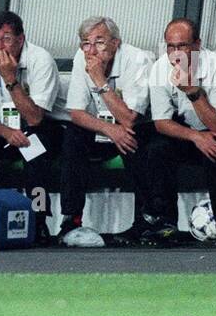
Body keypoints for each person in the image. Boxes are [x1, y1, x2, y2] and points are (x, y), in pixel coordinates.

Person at [0, 10, 66, 245]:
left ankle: (39, 217)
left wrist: (10, 78)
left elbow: (35, 117)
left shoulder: (41, 60)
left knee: (35, 150)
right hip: (2, 128)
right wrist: (7, 132)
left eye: (6, 39)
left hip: (38, 126)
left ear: (20, 39)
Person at [58, 15, 155, 247]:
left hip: (139, 129)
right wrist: (109, 130)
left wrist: (100, 80)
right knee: (72, 137)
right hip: (106, 129)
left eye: (99, 42)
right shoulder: (82, 58)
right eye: (86, 43)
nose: (91, 50)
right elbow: (77, 113)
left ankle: (144, 220)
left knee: (134, 138)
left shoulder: (138, 60)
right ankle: (71, 219)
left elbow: (129, 118)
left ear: (116, 43)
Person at [140, 17, 216, 244]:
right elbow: (161, 122)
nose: (175, 53)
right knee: (156, 147)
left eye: (181, 45)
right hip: (188, 133)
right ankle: (164, 223)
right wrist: (195, 137)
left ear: (197, 45)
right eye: (170, 46)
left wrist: (191, 89)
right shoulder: (160, 68)